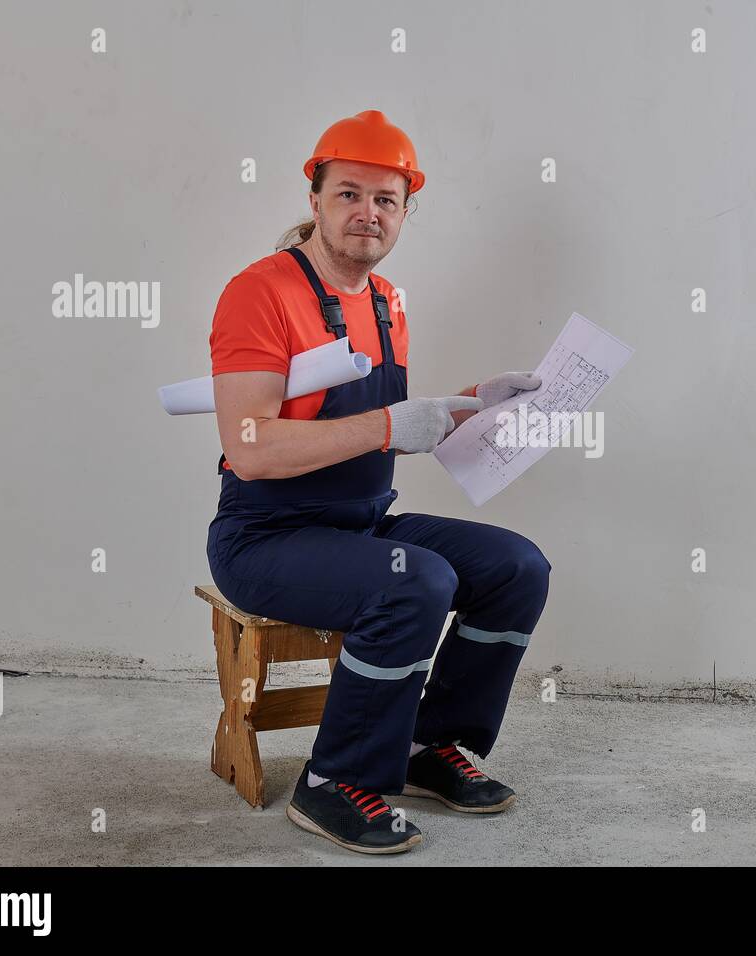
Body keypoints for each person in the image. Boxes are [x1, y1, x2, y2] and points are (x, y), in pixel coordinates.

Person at [206, 110, 551, 855]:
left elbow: (384, 422)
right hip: (264, 536)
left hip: (360, 524)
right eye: (350, 193)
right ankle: (334, 782)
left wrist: (471, 406)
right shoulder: (258, 293)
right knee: (414, 582)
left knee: (517, 568)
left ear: (404, 212)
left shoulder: (388, 302)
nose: (368, 212)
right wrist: (396, 426)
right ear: (316, 199)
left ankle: (429, 747)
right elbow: (252, 447)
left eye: (386, 200)